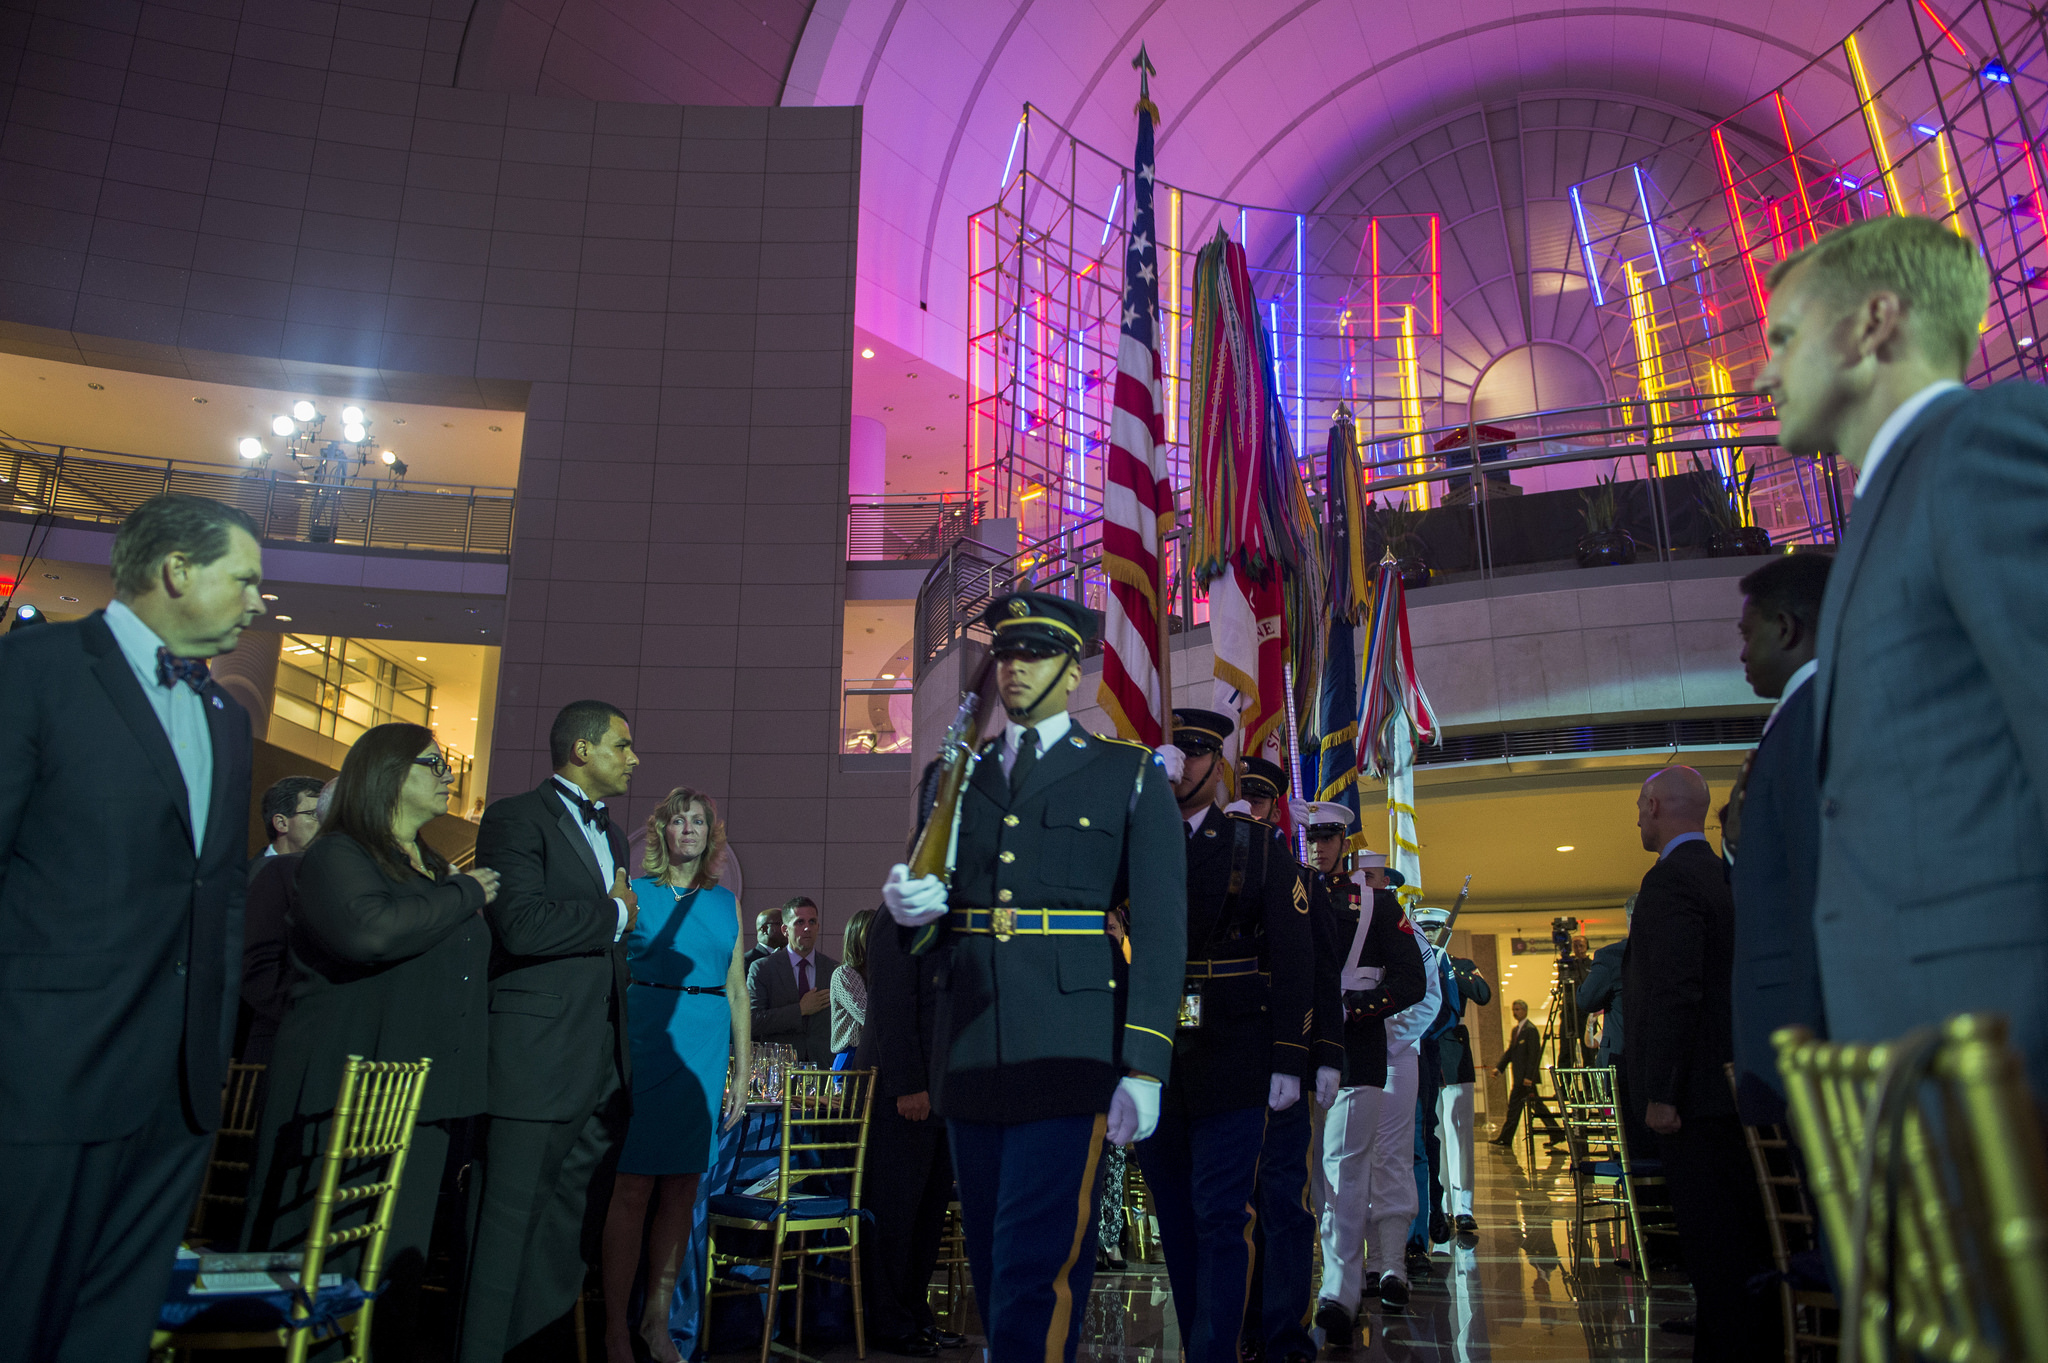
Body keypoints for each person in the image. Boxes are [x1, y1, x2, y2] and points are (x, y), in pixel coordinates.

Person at [1757, 214, 2048, 1095]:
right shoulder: (1891, 503)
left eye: (1785, 336)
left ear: (1874, 322)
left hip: (2007, 1041)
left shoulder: (1978, 448)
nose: (1766, 371)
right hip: (1930, 1048)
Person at [878, 591, 1185, 1363]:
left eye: (1035, 654)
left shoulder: (1127, 773)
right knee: (991, 1255)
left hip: (1069, 1046)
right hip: (974, 1045)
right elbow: (933, 914)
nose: (1013, 670)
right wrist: (911, 914)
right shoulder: (956, 774)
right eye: (1006, 654)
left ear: (1071, 667)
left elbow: (1157, 928)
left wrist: (1145, 1062)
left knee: (1032, 1261)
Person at [0, 493, 264, 1362]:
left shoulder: (227, 718)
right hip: (44, 1072)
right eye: (245, 579)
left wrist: (211, 1049)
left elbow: (219, 895)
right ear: (176, 570)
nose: (258, 600)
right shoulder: (33, 670)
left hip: (176, 1089)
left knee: (110, 1330)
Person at [244, 724, 499, 1357]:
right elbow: (370, 932)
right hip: (346, 1093)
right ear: (386, 775)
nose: (448, 775)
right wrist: (466, 893)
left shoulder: (434, 864)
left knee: (394, 1275)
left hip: (423, 1095)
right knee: (331, 1270)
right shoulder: (339, 855)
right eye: (433, 764)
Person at [462, 700, 641, 1363]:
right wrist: (613, 913)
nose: (634, 757)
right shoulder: (515, 816)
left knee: (565, 1239)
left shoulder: (617, 837)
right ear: (582, 750)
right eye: (623, 745)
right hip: (534, 1063)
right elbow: (522, 923)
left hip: (599, 1069)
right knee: (504, 1234)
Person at [1133, 712, 1313, 1363]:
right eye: (1173, 755)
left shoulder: (1254, 845)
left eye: (1194, 755)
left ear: (1215, 764)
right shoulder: (1140, 835)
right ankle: (1198, 1343)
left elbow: (1294, 959)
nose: (1182, 766)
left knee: (1220, 1212)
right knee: (1176, 1218)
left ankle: (1213, 1352)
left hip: (1236, 1052)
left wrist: (1292, 1055)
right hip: (1158, 1052)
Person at [1622, 766, 1780, 1360]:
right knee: (1739, 1245)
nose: (1638, 816)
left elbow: (1676, 990)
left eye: (1641, 804)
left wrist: (1660, 1091)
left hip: (1693, 1100)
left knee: (1715, 1249)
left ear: (1659, 805)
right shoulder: (1720, 875)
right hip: (1728, 1091)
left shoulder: (1670, 883)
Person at [602, 786, 750, 1363]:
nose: (687, 829)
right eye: (677, 820)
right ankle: (615, 1328)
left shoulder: (726, 901)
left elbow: (739, 990)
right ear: (661, 832)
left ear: (711, 835)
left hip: (708, 1043)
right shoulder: (634, 894)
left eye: (697, 821)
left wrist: (741, 1072)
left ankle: (656, 1322)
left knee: (684, 1189)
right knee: (633, 1187)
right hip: (648, 1039)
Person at [1723, 553, 1833, 1125]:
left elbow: (1820, 888)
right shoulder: (1795, 720)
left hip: (1810, 1040)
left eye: (1748, 633)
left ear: (1786, 628)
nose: (1742, 652)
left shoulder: (1813, 717)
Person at [1240, 797, 1346, 1363]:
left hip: (1285, 1058)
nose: (1254, 816)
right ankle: (1242, 1324)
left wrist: (1326, 1052)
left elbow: (1321, 971)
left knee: (1284, 1202)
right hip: (1227, 1061)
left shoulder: (1304, 883)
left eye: (1263, 806)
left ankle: (1283, 1330)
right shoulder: (1210, 869)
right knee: (1235, 1206)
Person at [1316, 846, 1428, 1346]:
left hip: (1387, 1053)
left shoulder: (1389, 914)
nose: (1367, 879)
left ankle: (1388, 1267)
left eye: (1376, 873)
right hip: (1335, 1046)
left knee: (1385, 1161)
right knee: (1327, 1170)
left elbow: (1422, 994)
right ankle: (1350, 1271)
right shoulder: (1322, 902)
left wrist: (1366, 1017)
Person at [855, 907, 964, 1357]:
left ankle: (914, 1312)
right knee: (895, 1215)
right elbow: (892, 1003)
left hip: (944, 1092)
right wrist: (908, 1085)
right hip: (904, 1091)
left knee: (927, 1216)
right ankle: (886, 1320)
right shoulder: (901, 909)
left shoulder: (954, 912)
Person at [237, 777, 337, 1065]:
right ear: (281, 823)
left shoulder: (328, 881)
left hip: (291, 1038)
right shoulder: (238, 878)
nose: (325, 825)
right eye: (314, 815)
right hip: (237, 1032)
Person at [1429, 931, 1490, 1237]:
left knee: (1460, 1133)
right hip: (1425, 1054)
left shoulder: (1459, 964)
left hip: (1455, 1055)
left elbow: (1482, 993)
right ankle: (1439, 1204)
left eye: (1434, 930)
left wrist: (1450, 966)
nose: (1429, 936)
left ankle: (1464, 1207)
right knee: (1434, 1135)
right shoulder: (1419, 961)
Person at [747, 896, 839, 1065]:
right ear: (785, 929)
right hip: (780, 1069)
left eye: (812, 922)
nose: (807, 928)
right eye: (799, 922)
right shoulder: (762, 969)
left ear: (818, 927)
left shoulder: (834, 970)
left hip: (823, 1070)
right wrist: (800, 1009)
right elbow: (752, 1021)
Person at [1489, 1000, 1565, 1147]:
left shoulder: (1530, 1030)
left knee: (1517, 1108)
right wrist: (1499, 1068)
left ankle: (1506, 1137)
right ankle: (1556, 1132)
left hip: (1525, 1080)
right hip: (1519, 1078)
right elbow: (1511, 1052)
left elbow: (1533, 1055)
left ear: (1525, 1011)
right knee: (1530, 1106)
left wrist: (1529, 1077)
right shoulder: (1516, 1030)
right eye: (1513, 1009)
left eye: (1517, 1009)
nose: (1515, 1012)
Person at [254, 773, 325, 871]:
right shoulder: (241, 879)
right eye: (316, 815)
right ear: (281, 823)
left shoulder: (333, 877)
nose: (327, 823)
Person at [831, 908, 875, 1062]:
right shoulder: (844, 973)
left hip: (875, 1053)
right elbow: (868, 1014)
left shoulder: (880, 972)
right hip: (852, 1056)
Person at [743, 906, 786, 973]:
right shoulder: (746, 961)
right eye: (781, 924)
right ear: (765, 929)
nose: (786, 929)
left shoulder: (789, 959)